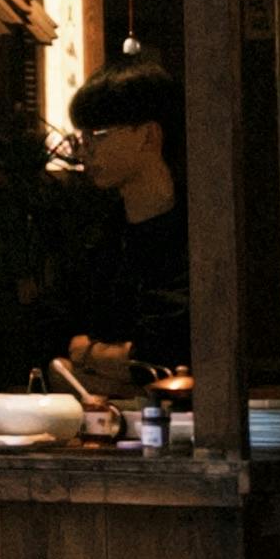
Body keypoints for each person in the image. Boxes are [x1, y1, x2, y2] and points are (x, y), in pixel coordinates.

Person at [64, 57, 192, 387]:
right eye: (83, 137)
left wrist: (92, 357)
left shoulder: (194, 231)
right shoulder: (100, 232)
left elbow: (168, 355)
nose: (85, 151)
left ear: (149, 136)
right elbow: (61, 356)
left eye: (99, 135)